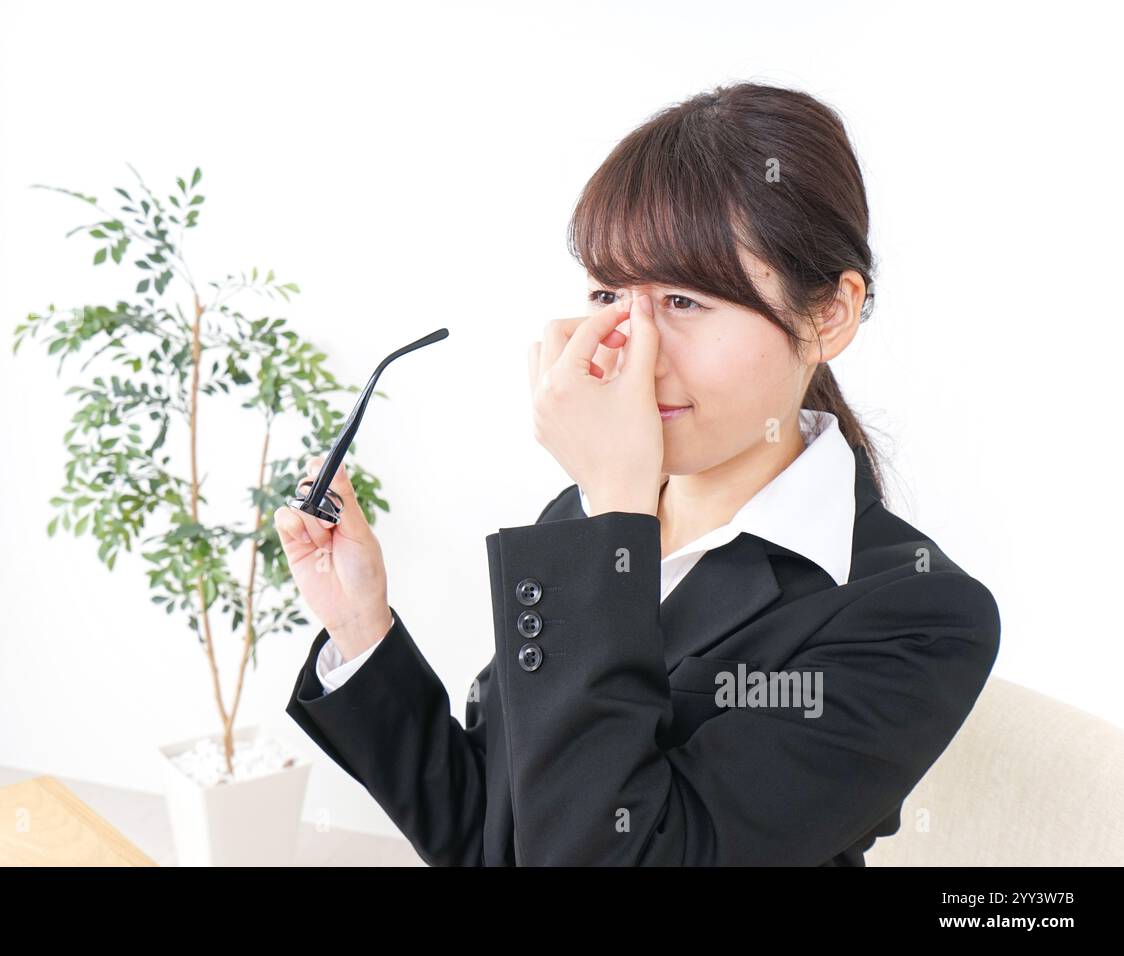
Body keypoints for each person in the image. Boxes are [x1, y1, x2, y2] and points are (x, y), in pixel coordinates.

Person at [273, 81, 1000, 866]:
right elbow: (494, 836)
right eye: (609, 294)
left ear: (827, 315)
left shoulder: (917, 614)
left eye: (686, 301)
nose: (635, 347)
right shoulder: (581, 518)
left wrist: (612, 517)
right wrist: (361, 629)